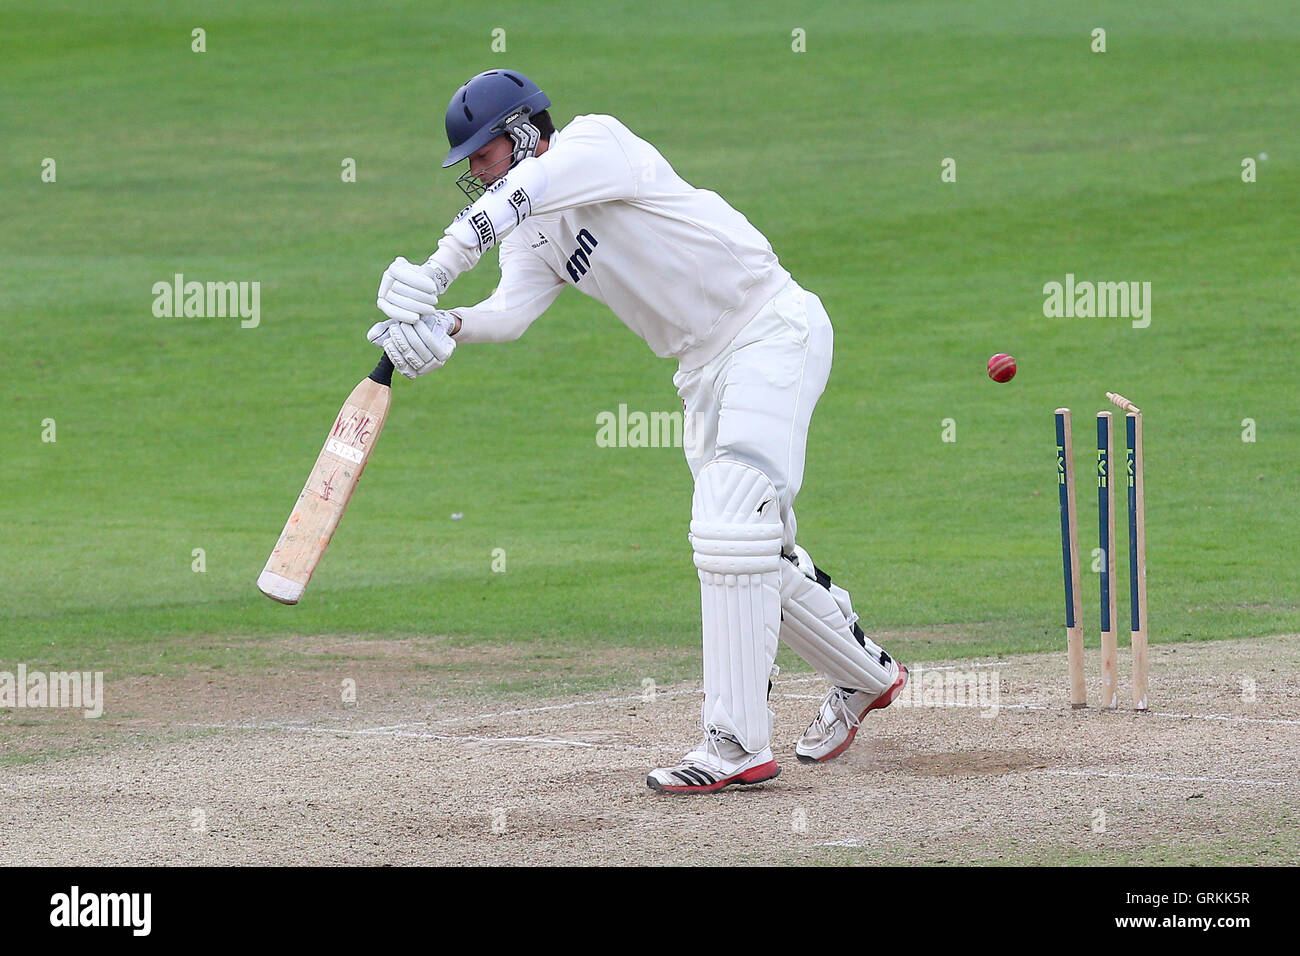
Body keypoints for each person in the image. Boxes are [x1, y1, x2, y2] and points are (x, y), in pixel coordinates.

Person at [368, 69, 908, 794]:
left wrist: (435, 268)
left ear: (524, 133)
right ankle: (864, 677)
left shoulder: (597, 144)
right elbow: (512, 311)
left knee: (728, 524)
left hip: (768, 329)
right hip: (700, 368)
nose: (474, 170)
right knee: (746, 548)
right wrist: (447, 324)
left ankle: (736, 744)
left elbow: (518, 193)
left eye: (482, 153)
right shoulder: (530, 231)